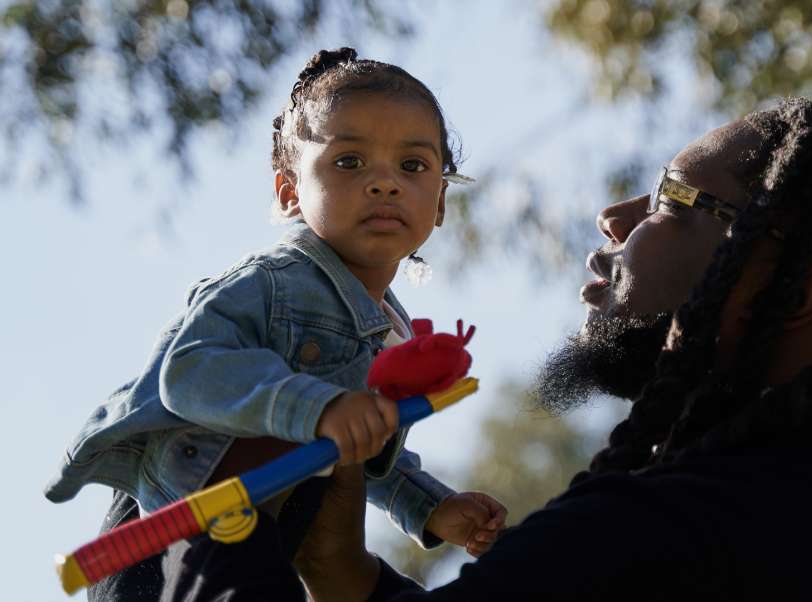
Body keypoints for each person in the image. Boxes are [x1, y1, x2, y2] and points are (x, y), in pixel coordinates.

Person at [163, 97, 812, 600]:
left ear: (792, 294)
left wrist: (209, 541)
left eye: (673, 201)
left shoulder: (686, 525)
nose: (615, 218)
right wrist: (346, 574)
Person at [44, 48, 507, 600]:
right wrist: (320, 407)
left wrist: (430, 508)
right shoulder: (272, 282)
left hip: (263, 535)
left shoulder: (388, 330)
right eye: (350, 162)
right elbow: (190, 369)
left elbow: (370, 447)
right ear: (289, 191)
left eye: (412, 166)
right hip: (182, 527)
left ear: (439, 204)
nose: (384, 183)